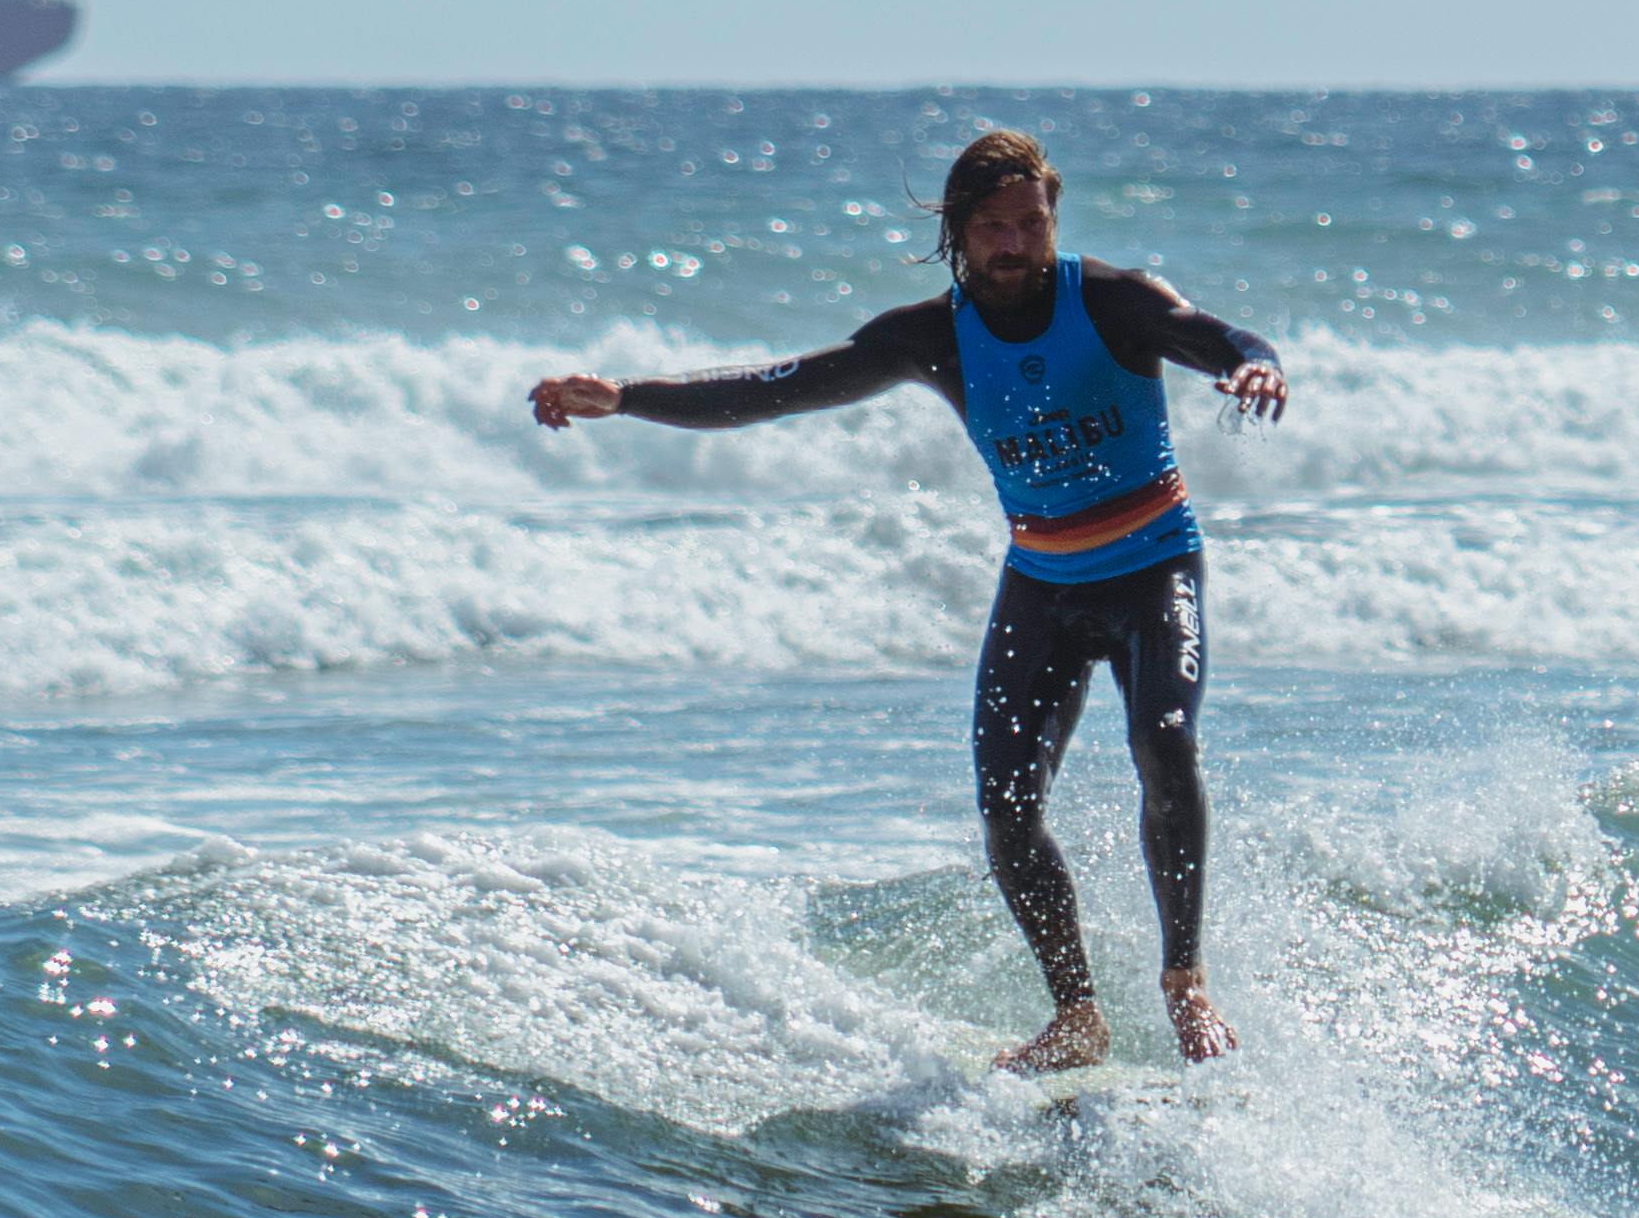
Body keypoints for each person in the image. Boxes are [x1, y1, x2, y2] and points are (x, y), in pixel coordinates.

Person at [529, 127, 1286, 1071]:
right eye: (994, 228)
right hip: (1044, 583)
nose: (1015, 245)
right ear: (957, 234)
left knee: (1163, 740)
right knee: (1006, 807)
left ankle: (1184, 980)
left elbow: (1217, 336)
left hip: (1150, 571)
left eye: (1031, 225)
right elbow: (777, 389)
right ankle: (1076, 1015)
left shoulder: (1108, 300)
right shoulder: (929, 338)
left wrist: (1250, 362)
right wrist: (628, 397)